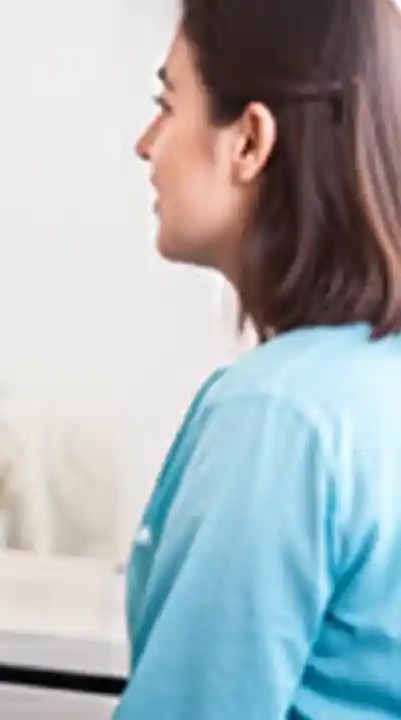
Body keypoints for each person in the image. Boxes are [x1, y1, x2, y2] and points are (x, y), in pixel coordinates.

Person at [118, 0, 401, 716]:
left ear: (248, 141)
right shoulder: (376, 387)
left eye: (167, 104)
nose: (146, 145)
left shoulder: (281, 416)